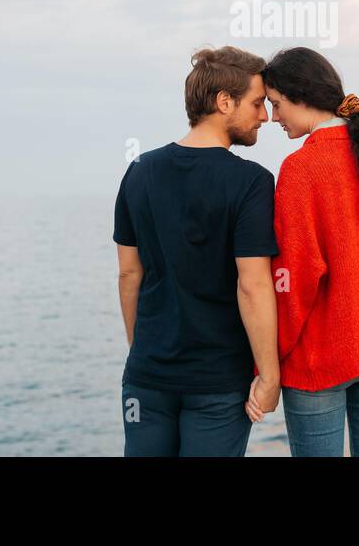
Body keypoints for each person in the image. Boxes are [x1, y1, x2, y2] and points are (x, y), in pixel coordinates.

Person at [247, 47, 359, 456]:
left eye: (276, 105)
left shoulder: (301, 167)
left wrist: (268, 364)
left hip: (322, 358)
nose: (274, 118)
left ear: (301, 96)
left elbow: (294, 281)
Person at [113, 46, 281, 456]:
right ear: (225, 102)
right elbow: (253, 284)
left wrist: (144, 353)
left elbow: (129, 274)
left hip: (147, 378)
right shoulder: (252, 182)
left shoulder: (139, 170)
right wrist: (270, 375)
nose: (265, 116)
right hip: (217, 382)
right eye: (258, 103)